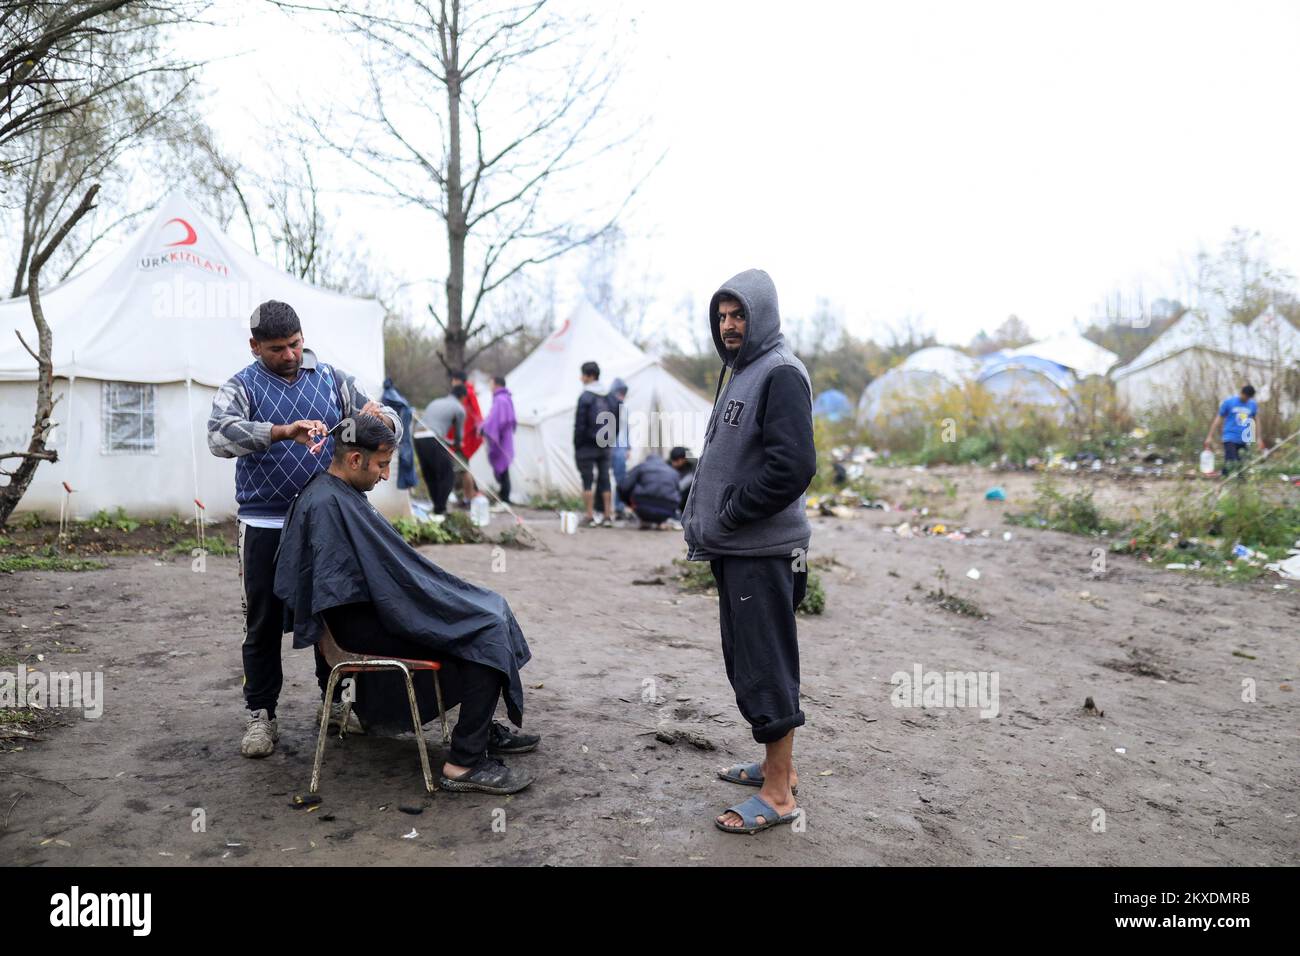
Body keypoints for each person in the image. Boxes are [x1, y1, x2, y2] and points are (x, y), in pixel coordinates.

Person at [274, 415, 537, 794]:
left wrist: (422, 595)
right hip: (358, 627)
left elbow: (382, 572)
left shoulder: (335, 494)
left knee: (489, 606)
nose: (384, 476)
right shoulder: (326, 503)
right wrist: (418, 602)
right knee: (484, 631)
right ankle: (463, 762)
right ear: (354, 461)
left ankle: (477, 731)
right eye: (381, 465)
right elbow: (343, 588)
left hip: (375, 610)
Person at [207, 299, 403, 758]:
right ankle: (261, 715)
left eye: (295, 344)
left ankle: (334, 704)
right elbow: (218, 436)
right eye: (277, 349)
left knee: (333, 610)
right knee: (262, 621)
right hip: (266, 522)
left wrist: (380, 418)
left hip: (328, 521)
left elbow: (389, 419)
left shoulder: (332, 379)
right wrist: (280, 431)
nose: (290, 355)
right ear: (255, 346)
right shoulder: (241, 386)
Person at [681, 269, 816, 834]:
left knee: (766, 666)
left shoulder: (780, 373)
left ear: (762, 316)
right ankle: (773, 766)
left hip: (762, 549)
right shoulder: (741, 370)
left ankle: (780, 793)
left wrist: (731, 512)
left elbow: (794, 466)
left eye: (739, 316)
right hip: (739, 550)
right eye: (722, 316)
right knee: (748, 660)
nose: (729, 326)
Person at [414, 385, 467, 515]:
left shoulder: (436, 401)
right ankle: (440, 509)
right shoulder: (459, 408)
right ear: (462, 397)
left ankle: (438, 508)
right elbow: (459, 436)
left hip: (417, 436)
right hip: (433, 438)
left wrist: (449, 442)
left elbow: (434, 428)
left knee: (430, 474)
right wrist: (458, 445)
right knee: (448, 475)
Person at [574, 360, 614, 527]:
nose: (581, 378)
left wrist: (577, 444)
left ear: (589, 376)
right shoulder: (609, 396)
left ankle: (589, 515)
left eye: (583, 374)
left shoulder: (585, 397)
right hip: (605, 445)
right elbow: (616, 421)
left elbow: (580, 424)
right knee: (605, 479)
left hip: (587, 445)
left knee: (587, 480)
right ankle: (607, 515)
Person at [1204, 383, 1266, 476]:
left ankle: (1224, 476)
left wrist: (1259, 438)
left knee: (1240, 463)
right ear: (1241, 393)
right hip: (1229, 437)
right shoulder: (1229, 402)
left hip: (1244, 438)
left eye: (1248, 398)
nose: (1246, 399)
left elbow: (1257, 421)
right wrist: (1210, 436)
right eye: (1245, 397)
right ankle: (1238, 481)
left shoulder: (1252, 405)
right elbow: (1218, 419)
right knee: (1234, 461)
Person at [479, 375, 517, 506]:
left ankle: (505, 498)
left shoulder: (500, 400)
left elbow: (496, 421)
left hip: (501, 440)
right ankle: (504, 497)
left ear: (496, 384)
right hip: (504, 438)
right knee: (503, 469)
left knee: (503, 468)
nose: (490, 387)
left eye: (490, 384)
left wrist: (484, 428)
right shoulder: (504, 399)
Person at [617, 454, 681, 529]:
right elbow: (679, 493)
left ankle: (645, 520)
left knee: (632, 486)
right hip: (667, 511)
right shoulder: (673, 471)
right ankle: (660, 522)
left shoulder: (641, 467)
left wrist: (629, 503)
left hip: (643, 508)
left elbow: (623, 486)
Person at [449, 369, 483, 506]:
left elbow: (473, 416)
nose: (452, 382)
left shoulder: (466, 394)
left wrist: (459, 437)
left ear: (457, 380)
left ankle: (469, 499)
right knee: (462, 468)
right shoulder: (469, 393)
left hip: (463, 438)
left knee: (463, 469)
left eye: (453, 380)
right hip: (464, 437)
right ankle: (468, 496)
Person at [607, 378, 630, 520]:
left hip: (621, 448)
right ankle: (603, 510)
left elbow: (627, 430)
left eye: (623, 392)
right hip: (606, 447)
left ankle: (619, 508)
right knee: (603, 479)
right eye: (619, 392)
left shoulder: (625, 409)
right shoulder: (605, 407)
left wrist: (628, 447)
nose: (621, 395)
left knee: (621, 479)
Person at [669, 446, 695, 517]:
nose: (675, 463)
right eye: (673, 460)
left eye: (677, 460)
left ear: (684, 459)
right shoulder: (668, 468)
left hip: (683, 503)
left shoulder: (691, 469)